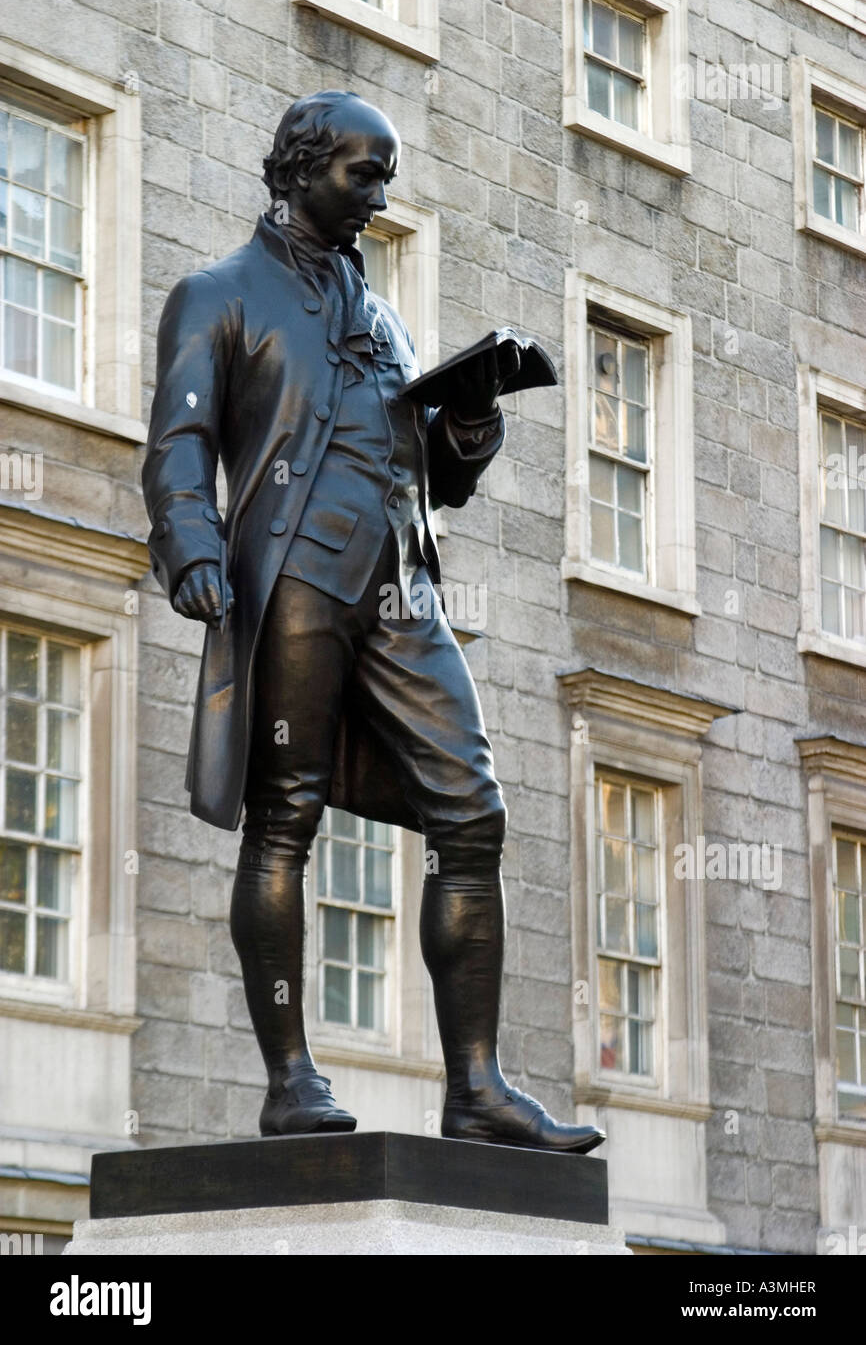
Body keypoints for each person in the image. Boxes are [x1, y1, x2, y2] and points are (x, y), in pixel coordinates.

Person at [143, 90, 604, 1154]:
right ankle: (289, 1077)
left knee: (472, 811)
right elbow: (178, 441)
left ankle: (475, 1088)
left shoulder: (385, 316)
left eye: (387, 174)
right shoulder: (217, 295)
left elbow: (432, 473)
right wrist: (194, 549)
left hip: (400, 586)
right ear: (299, 169)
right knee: (284, 818)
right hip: (292, 583)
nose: (380, 194)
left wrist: (473, 421)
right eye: (364, 172)